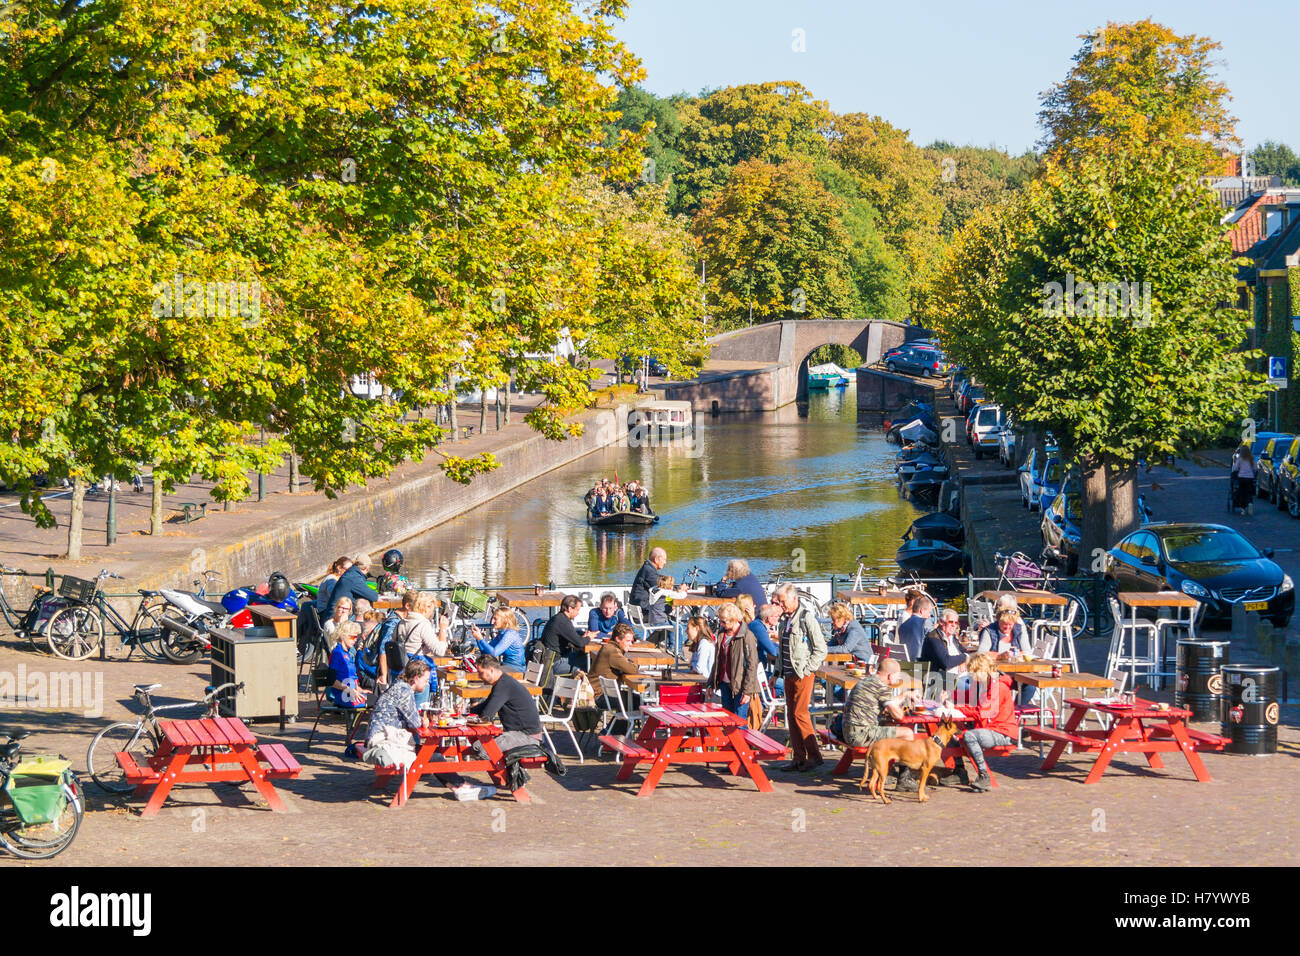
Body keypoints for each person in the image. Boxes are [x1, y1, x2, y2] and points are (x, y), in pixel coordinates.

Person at [774, 583, 827, 772]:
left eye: (783, 601)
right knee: (790, 714)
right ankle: (798, 757)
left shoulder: (806, 618)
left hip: (801, 673)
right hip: (788, 673)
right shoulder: (784, 620)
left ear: (794, 599)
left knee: (800, 713)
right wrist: (776, 672)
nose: (780, 605)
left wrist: (807, 669)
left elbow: (821, 649)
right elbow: (782, 650)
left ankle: (814, 756)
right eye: (779, 602)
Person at [961, 652, 1018, 791]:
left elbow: (982, 712)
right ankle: (958, 772)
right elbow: (966, 697)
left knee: (969, 736)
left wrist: (957, 708)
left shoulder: (998, 687)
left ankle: (983, 775)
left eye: (973, 672)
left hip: (1003, 732)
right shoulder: (982, 684)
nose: (971, 676)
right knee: (954, 734)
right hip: (991, 729)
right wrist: (948, 696)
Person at [835, 657, 916, 749]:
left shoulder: (867, 680)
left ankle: (885, 759)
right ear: (890, 676)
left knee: (889, 724)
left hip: (848, 731)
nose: (898, 679)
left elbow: (884, 703)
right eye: (897, 676)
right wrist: (904, 708)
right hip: (860, 735)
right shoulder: (882, 687)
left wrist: (904, 695)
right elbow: (898, 715)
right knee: (907, 733)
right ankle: (905, 763)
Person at [473, 655, 545, 753]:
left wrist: (470, 718)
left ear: (491, 670)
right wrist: (466, 711)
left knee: (483, 750)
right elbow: (486, 705)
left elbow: (487, 715)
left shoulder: (503, 685)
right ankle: (510, 768)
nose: (479, 676)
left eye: (481, 673)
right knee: (477, 745)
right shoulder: (502, 682)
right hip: (517, 733)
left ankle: (509, 768)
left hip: (527, 736)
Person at [713, 603, 760, 720]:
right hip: (724, 682)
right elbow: (717, 660)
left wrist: (748, 691)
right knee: (727, 720)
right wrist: (711, 683)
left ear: (734, 620)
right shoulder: (721, 634)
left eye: (724, 621)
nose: (721, 624)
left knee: (739, 720)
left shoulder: (746, 636)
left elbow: (752, 665)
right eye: (720, 621)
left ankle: (742, 739)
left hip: (741, 685)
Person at [540, 595, 588, 677]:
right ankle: (579, 684)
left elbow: (572, 634)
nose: (578, 613)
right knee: (589, 662)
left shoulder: (558, 618)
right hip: (555, 664)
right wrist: (589, 637)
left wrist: (582, 635)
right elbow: (580, 643)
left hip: (550, 659)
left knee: (582, 655)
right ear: (570, 609)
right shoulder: (563, 622)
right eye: (577, 610)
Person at [586, 623, 641, 692]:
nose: (630, 644)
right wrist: (634, 663)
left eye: (631, 641)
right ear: (618, 639)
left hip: (600, 691)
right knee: (636, 700)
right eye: (628, 641)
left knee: (634, 698)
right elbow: (633, 670)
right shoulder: (612, 652)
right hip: (601, 695)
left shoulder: (609, 647)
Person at [327, 622, 367, 709]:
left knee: (377, 698)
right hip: (343, 695)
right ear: (343, 636)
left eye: (357, 637)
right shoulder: (338, 653)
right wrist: (350, 690)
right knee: (375, 702)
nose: (355, 640)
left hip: (351, 693)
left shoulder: (347, 653)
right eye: (353, 637)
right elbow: (331, 680)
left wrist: (360, 690)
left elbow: (352, 678)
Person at [473, 607, 526, 673]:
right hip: (506, 665)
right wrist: (478, 638)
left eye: (495, 619)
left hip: (516, 669)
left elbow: (494, 653)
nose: (492, 622)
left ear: (505, 620)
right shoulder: (502, 633)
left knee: (487, 672)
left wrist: (480, 638)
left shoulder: (510, 634)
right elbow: (485, 653)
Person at [919, 607, 968, 676]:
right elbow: (946, 662)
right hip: (939, 680)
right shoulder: (934, 638)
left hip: (957, 676)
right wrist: (965, 657)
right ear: (941, 622)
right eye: (950, 622)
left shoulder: (952, 637)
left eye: (956, 623)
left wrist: (963, 662)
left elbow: (965, 651)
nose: (954, 625)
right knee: (976, 684)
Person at [630, 547, 668, 616]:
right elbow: (663, 587)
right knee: (669, 606)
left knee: (667, 604)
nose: (665, 562)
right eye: (664, 560)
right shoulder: (649, 571)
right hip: (644, 612)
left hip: (641, 608)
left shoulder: (647, 568)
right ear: (656, 559)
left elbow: (660, 581)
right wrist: (679, 590)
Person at [898, 593, 934, 662]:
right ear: (921, 611)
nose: (929, 616)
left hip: (907, 666)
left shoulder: (902, 626)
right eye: (929, 612)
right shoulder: (925, 622)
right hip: (921, 667)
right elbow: (937, 641)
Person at [1231, 444, 1255, 514]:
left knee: (1242, 493)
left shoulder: (1240, 459)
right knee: (1249, 492)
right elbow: (1255, 468)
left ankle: (1243, 509)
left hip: (1241, 478)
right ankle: (1250, 503)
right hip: (1250, 477)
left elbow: (1235, 468)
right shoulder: (1251, 458)